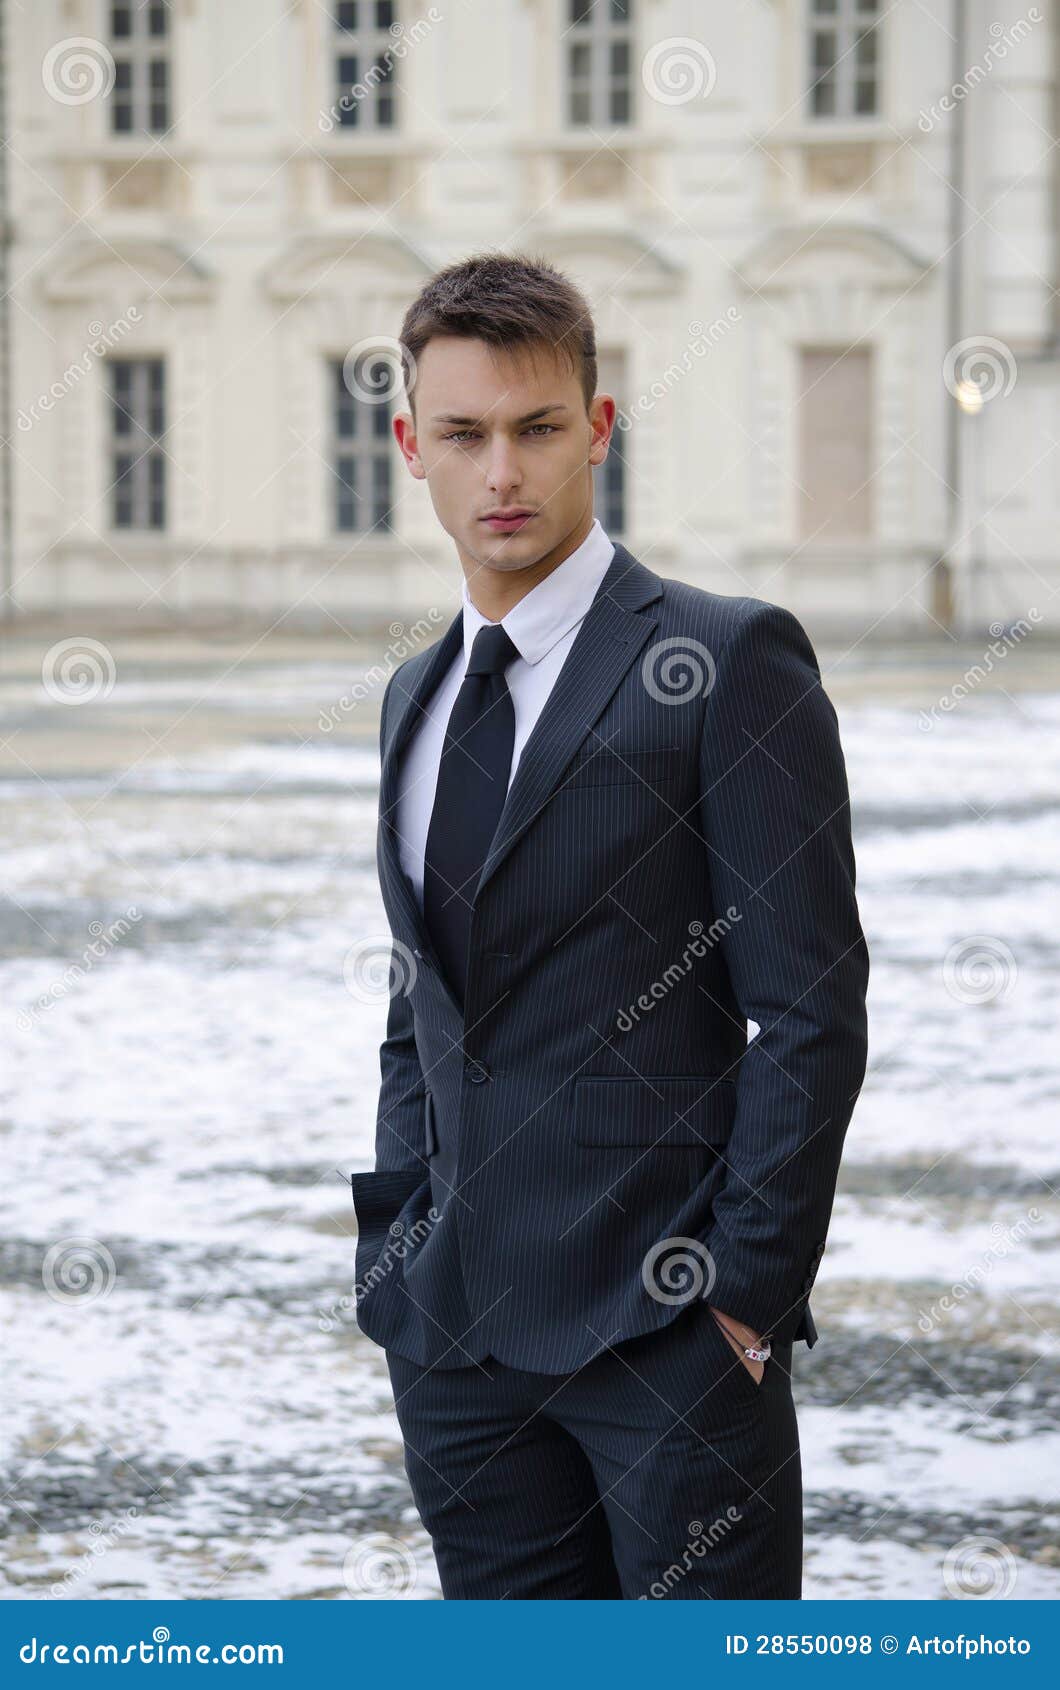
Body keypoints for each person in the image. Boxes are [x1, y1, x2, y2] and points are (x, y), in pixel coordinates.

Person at [348, 251, 870, 1599]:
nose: (502, 473)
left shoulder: (724, 661)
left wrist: (743, 1297)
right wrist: (404, 1237)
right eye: (464, 434)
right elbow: (426, 1008)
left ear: (599, 428)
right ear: (412, 445)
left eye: (536, 428)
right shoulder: (414, 696)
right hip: (462, 1344)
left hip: (669, 1338)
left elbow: (809, 1007)